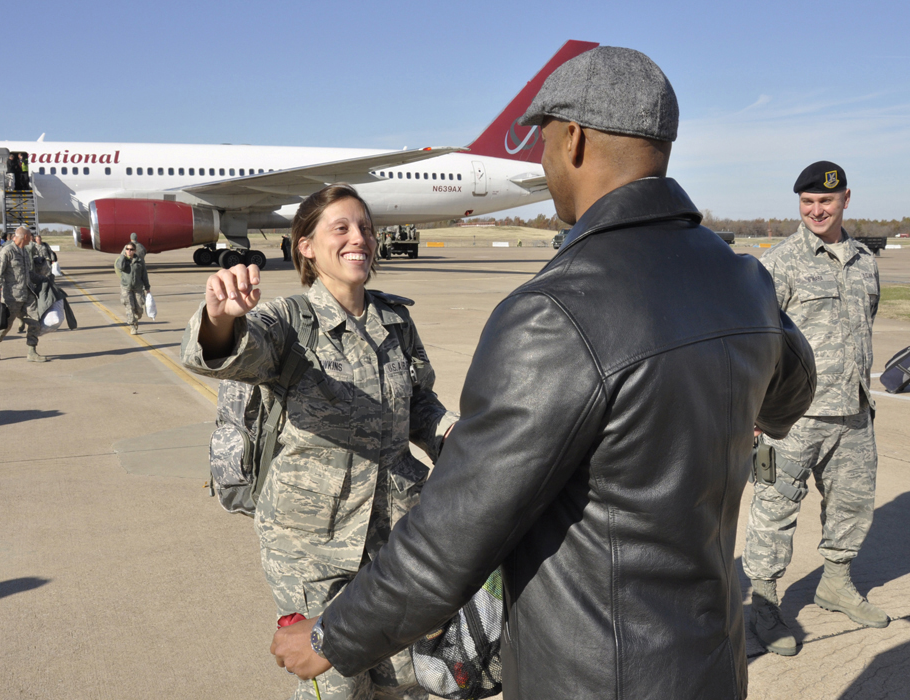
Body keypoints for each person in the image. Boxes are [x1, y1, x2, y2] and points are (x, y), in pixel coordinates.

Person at [270, 47, 817, 700]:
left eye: (545, 141)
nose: (543, 160)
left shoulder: (557, 310)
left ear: (575, 139)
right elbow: (791, 393)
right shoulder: (741, 279)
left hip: (595, 676)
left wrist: (334, 637)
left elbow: (455, 533)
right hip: (711, 664)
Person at [181, 184, 457, 700]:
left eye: (367, 229)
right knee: (338, 687)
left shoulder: (395, 320)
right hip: (309, 547)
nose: (361, 239)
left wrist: (459, 437)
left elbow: (419, 405)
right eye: (342, 228)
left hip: (393, 536)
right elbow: (231, 353)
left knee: (405, 680)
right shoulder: (288, 322)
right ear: (304, 246)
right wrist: (222, 317)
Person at [743, 162, 889, 656]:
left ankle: (836, 583)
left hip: (853, 414)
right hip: (792, 418)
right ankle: (763, 601)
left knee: (851, 505)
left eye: (825, 202)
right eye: (807, 203)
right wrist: (755, 416)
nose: (816, 210)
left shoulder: (864, 260)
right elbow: (756, 340)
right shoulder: (779, 263)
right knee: (775, 508)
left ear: (846, 199)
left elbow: (862, 326)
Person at [0, 226, 46, 362]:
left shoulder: (24, 252)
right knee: (6, 325)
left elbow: (29, 273)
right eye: (30, 236)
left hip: (28, 293)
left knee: (34, 322)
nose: (32, 239)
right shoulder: (7, 251)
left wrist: (44, 279)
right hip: (12, 296)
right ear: (25, 237)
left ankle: (32, 352)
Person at [114, 243, 150, 335]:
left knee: (139, 310)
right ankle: (132, 326)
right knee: (130, 307)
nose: (129, 251)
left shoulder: (140, 261)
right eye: (127, 249)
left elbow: (144, 275)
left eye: (131, 249)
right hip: (126, 288)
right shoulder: (122, 260)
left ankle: (136, 319)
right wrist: (123, 256)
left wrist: (147, 287)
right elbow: (120, 267)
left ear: (134, 250)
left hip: (138, 287)